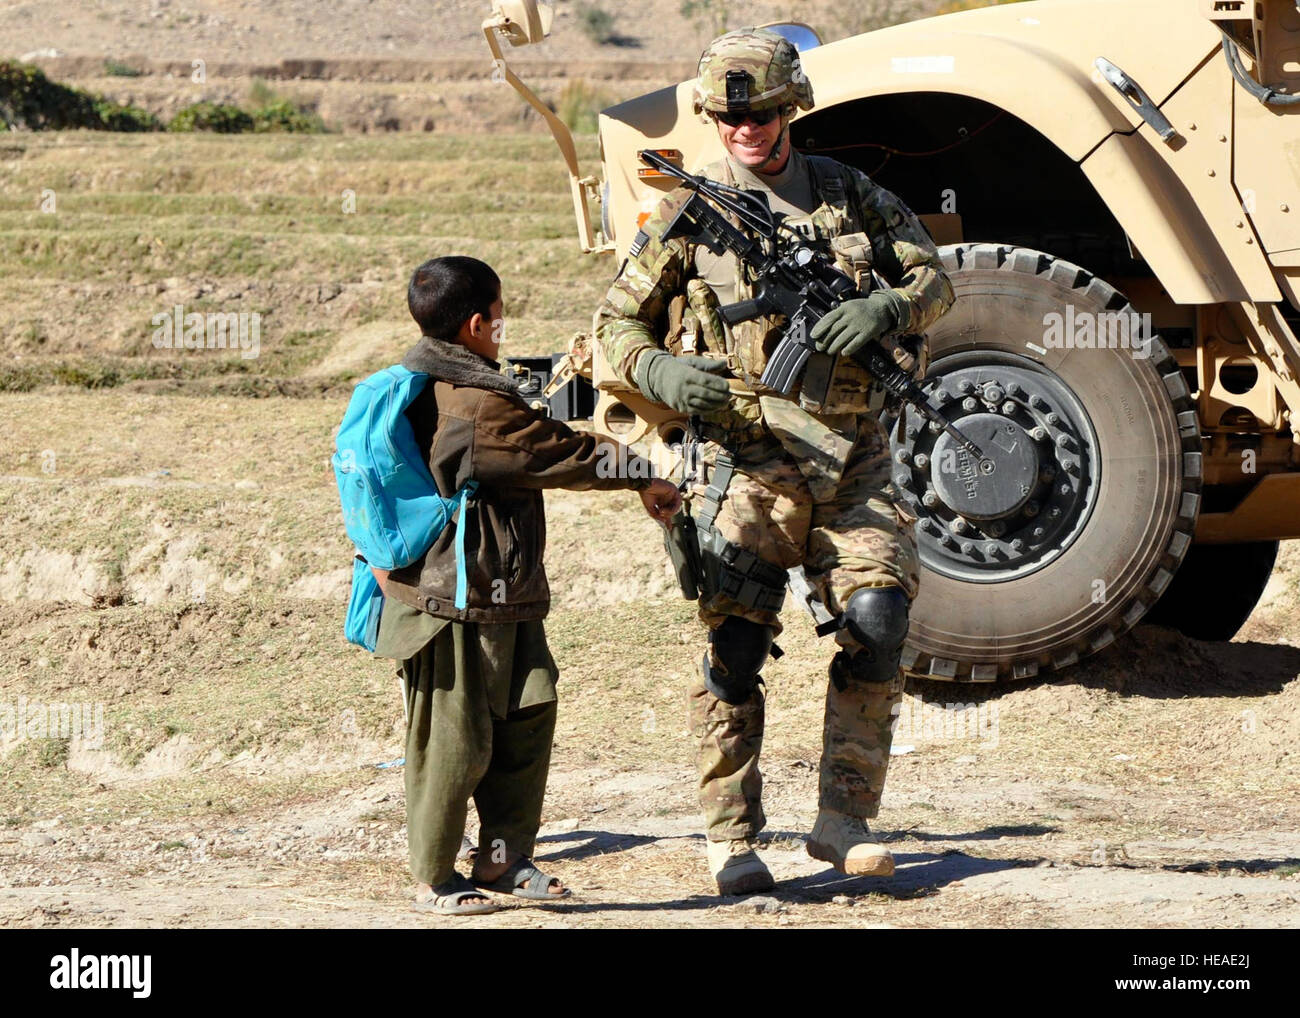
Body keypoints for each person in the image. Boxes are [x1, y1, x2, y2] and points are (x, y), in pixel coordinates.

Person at [594, 28, 955, 895]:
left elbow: (934, 280)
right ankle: (731, 836)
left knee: (876, 621)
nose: (744, 129)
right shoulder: (692, 212)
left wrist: (887, 312)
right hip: (742, 462)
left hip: (852, 460)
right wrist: (667, 373)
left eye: (758, 114)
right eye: (728, 116)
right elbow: (615, 328)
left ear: (791, 109)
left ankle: (843, 822)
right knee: (735, 650)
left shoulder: (847, 195)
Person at [375, 255, 681, 915]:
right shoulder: (477, 406)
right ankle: (435, 878)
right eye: (500, 314)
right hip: (451, 598)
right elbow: (559, 452)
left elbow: (545, 429)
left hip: (500, 591)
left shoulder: (458, 377)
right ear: (479, 323)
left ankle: (502, 860)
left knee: (528, 713)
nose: (504, 325)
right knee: (453, 740)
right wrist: (640, 471)